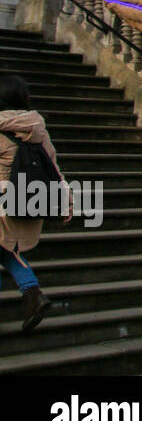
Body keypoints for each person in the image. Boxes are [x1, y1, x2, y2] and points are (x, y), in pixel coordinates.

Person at [0, 73, 68, 332]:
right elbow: (54, 168)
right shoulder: (38, 130)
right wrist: (66, 202)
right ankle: (33, 293)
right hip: (25, 202)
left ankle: (33, 293)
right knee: (7, 252)